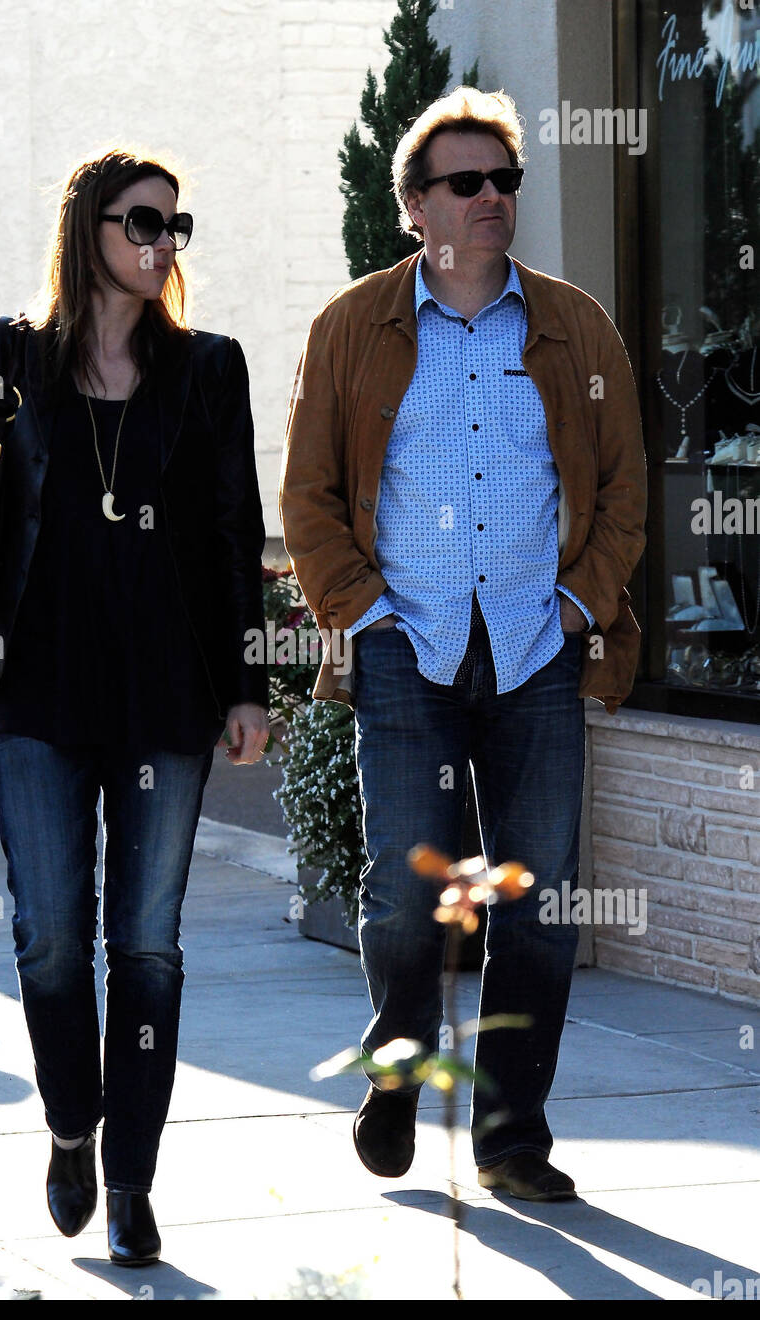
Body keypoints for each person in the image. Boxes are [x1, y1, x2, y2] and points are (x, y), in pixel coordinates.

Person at [279, 88, 647, 1201]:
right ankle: (395, 1063)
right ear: (413, 208)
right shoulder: (352, 326)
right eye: (465, 183)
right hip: (405, 647)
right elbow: (308, 497)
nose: (493, 199)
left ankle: (509, 1136)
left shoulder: (574, 326)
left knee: (534, 905)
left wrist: (580, 609)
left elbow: (624, 489)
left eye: (505, 180)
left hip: (537, 646)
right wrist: (364, 612)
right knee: (400, 893)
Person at [0, 147, 269, 1263]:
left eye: (175, 223)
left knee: (147, 944)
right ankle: (72, 1122)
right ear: (89, 229)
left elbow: (231, 534)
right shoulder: (9, 357)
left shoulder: (208, 368)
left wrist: (250, 684)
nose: (164, 240)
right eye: (142, 220)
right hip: (38, 689)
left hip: (165, 693)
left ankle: (130, 1182)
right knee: (53, 933)